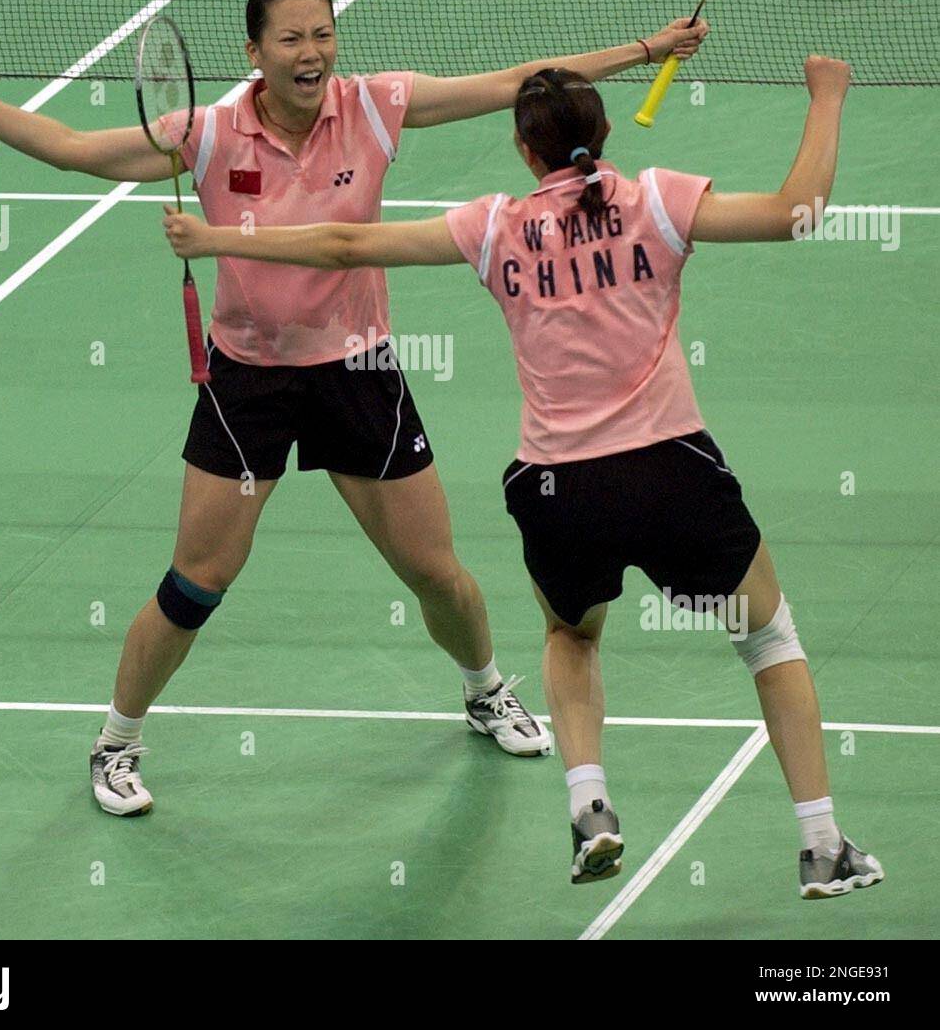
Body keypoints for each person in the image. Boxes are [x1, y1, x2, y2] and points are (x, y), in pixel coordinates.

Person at [0, 0, 708, 820]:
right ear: (255, 54)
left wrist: (646, 47)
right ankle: (116, 741)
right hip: (249, 383)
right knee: (197, 581)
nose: (312, 54)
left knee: (434, 572)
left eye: (323, 34)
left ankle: (484, 688)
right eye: (291, 40)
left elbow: (523, 83)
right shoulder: (203, 135)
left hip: (357, 372)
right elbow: (68, 147)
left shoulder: (376, 106)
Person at [162, 54, 884, 901]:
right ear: (604, 133)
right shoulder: (655, 200)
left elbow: (345, 242)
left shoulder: (495, 224)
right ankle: (823, 845)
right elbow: (796, 214)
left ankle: (590, 807)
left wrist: (219, 238)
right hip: (672, 476)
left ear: (522, 147)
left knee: (572, 637)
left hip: (556, 490)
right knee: (767, 640)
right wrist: (829, 96)